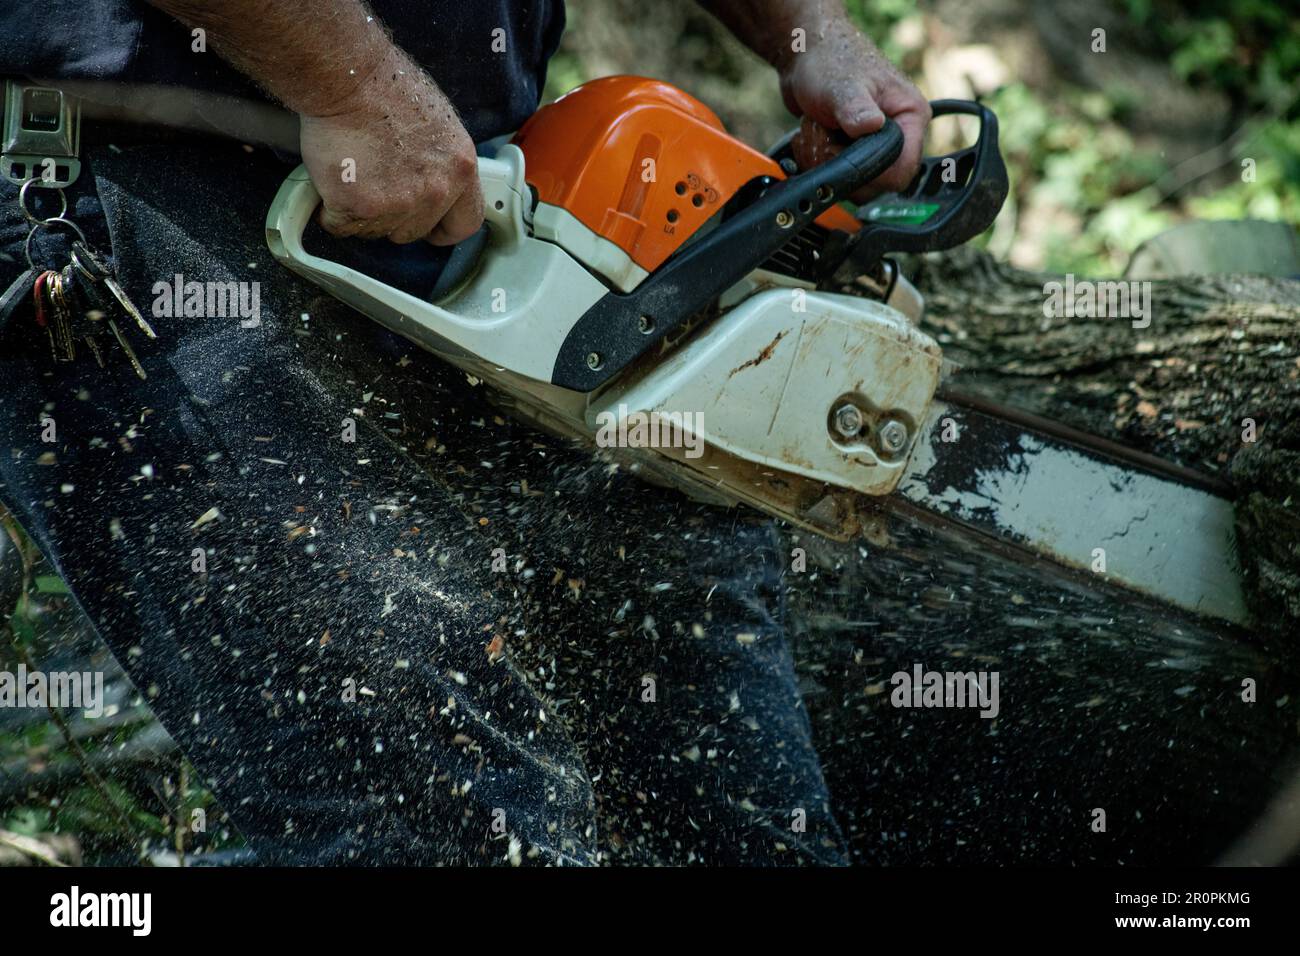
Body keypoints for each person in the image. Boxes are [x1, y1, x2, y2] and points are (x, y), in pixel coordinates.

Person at [0, 0, 929, 864]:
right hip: (145, 177)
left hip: (492, 185)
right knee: (441, 814)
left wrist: (809, 30)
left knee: (726, 793)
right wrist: (349, 85)